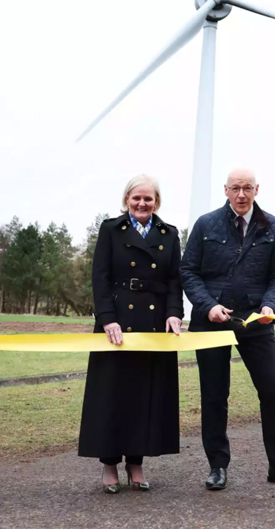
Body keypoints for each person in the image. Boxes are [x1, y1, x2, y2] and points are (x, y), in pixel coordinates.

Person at [180, 168, 275, 490]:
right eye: (235, 188)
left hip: (256, 322)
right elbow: (188, 271)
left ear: (256, 190)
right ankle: (217, 467)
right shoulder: (206, 224)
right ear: (225, 190)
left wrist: (270, 305)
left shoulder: (273, 227)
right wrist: (207, 305)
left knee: (273, 390)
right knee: (214, 395)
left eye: (247, 188)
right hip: (211, 323)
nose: (241, 194)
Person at [78, 175, 184, 493]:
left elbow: (175, 280)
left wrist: (174, 313)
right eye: (136, 198)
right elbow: (100, 276)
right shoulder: (111, 229)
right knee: (112, 394)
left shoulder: (170, 234)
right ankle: (109, 464)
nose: (142, 203)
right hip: (116, 325)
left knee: (145, 396)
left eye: (148, 199)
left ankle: (136, 462)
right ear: (127, 199)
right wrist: (107, 317)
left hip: (155, 328)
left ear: (157, 202)